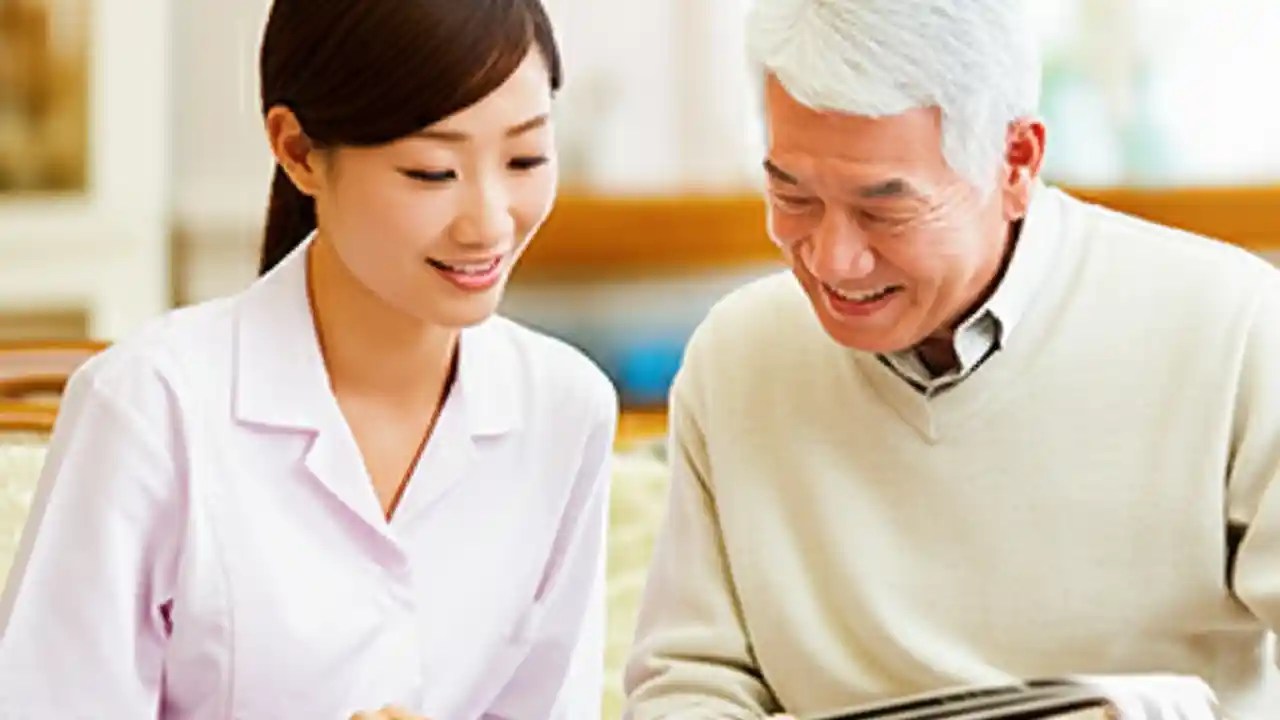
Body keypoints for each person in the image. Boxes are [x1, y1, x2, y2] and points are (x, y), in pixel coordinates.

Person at [623, 1, 1280, 719]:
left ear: (1016, 161)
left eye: (884, 209)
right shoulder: (738, 359)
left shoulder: (1232, 327)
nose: (834, 259)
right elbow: (692, 682)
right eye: (793, 195)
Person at [0, 1, 617, 718]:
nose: (489, 222)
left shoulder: (565, 409)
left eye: (525, 160)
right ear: (297, 151)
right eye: (431, 172)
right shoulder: (151, 406)